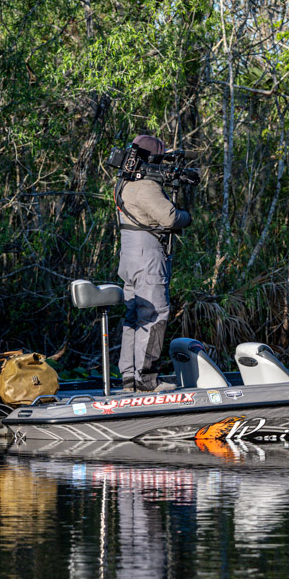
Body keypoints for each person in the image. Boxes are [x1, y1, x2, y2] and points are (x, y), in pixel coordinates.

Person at [115, 134, 191, 391]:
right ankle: (146, 380)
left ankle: (129, 378)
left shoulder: (124, 184)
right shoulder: (146, 187)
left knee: (134, 316)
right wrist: (186, 216)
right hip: (147, 257)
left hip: (129, 255)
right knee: (155, 315)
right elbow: (169, 218)